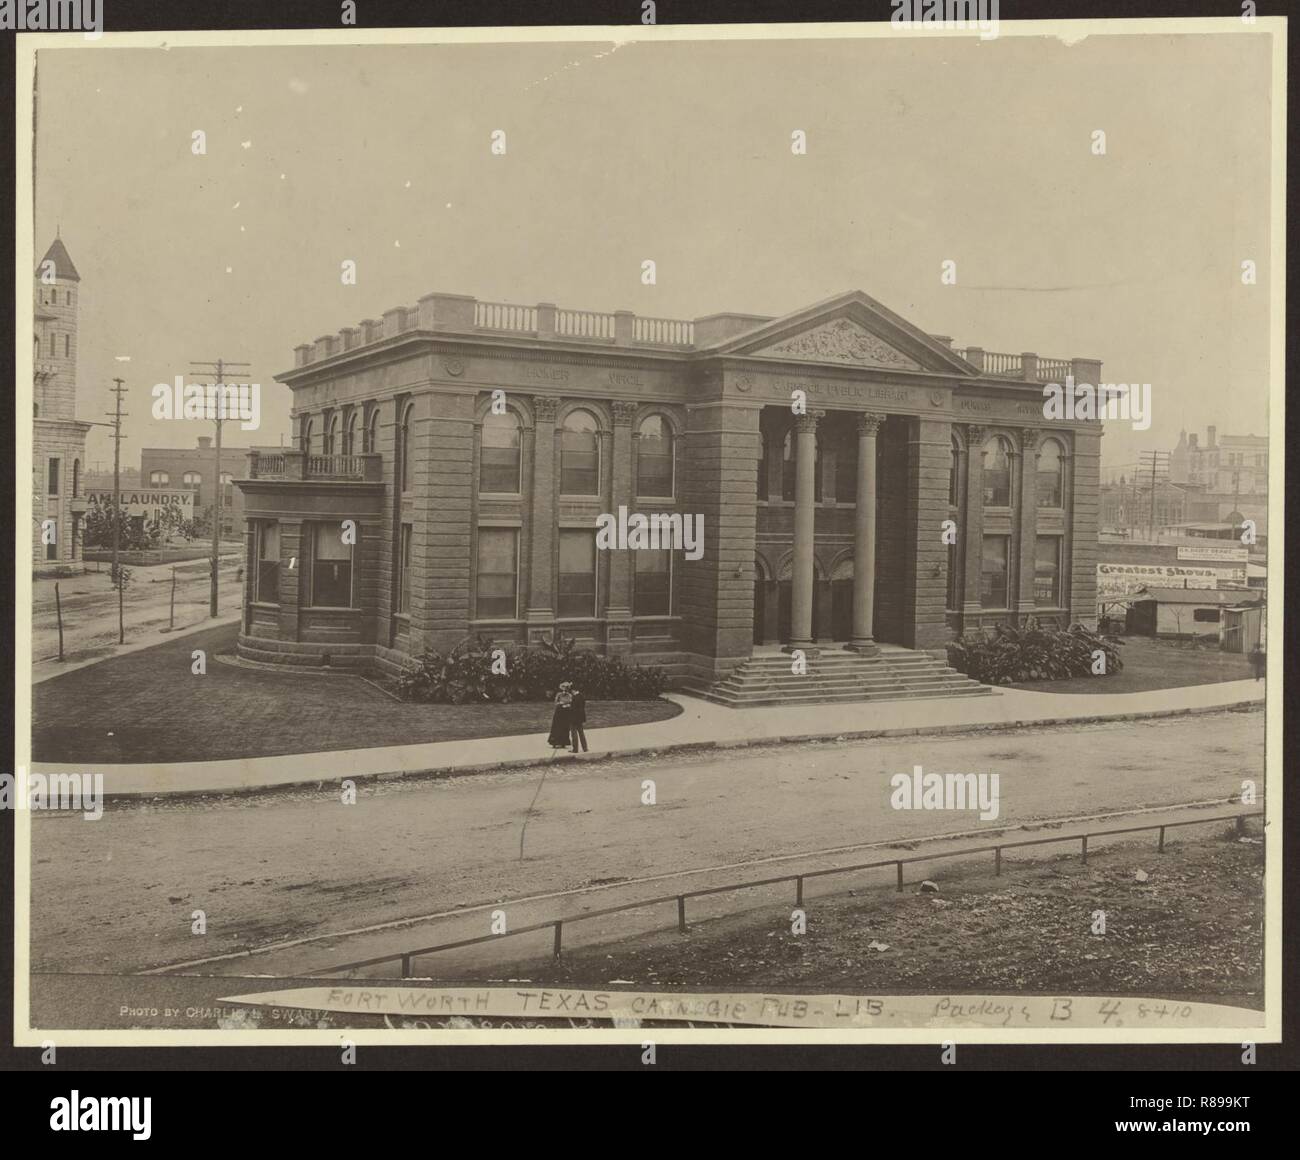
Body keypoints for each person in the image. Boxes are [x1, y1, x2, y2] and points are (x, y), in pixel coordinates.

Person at [547, 682, 574, 751]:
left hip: (566, 713)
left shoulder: (570, 695)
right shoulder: (559, 695)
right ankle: (555, 742)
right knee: (557, 726)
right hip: (559, 712)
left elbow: (572, 703)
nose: (565, 690)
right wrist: (560, 703)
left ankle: (563, 742)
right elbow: (555, 703)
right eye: (564, 688)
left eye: (566, 689)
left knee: (565, 727)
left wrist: (568, 705)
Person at [569, 685, 589, 753]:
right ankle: (585, 748)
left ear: (573, 690)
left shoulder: (575, 697)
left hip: (574, 718)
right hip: (580, 718)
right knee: (581, 733)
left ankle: (575, 749)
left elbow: (573, 709)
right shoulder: (581, 696)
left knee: (573, 733)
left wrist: (569, 707)